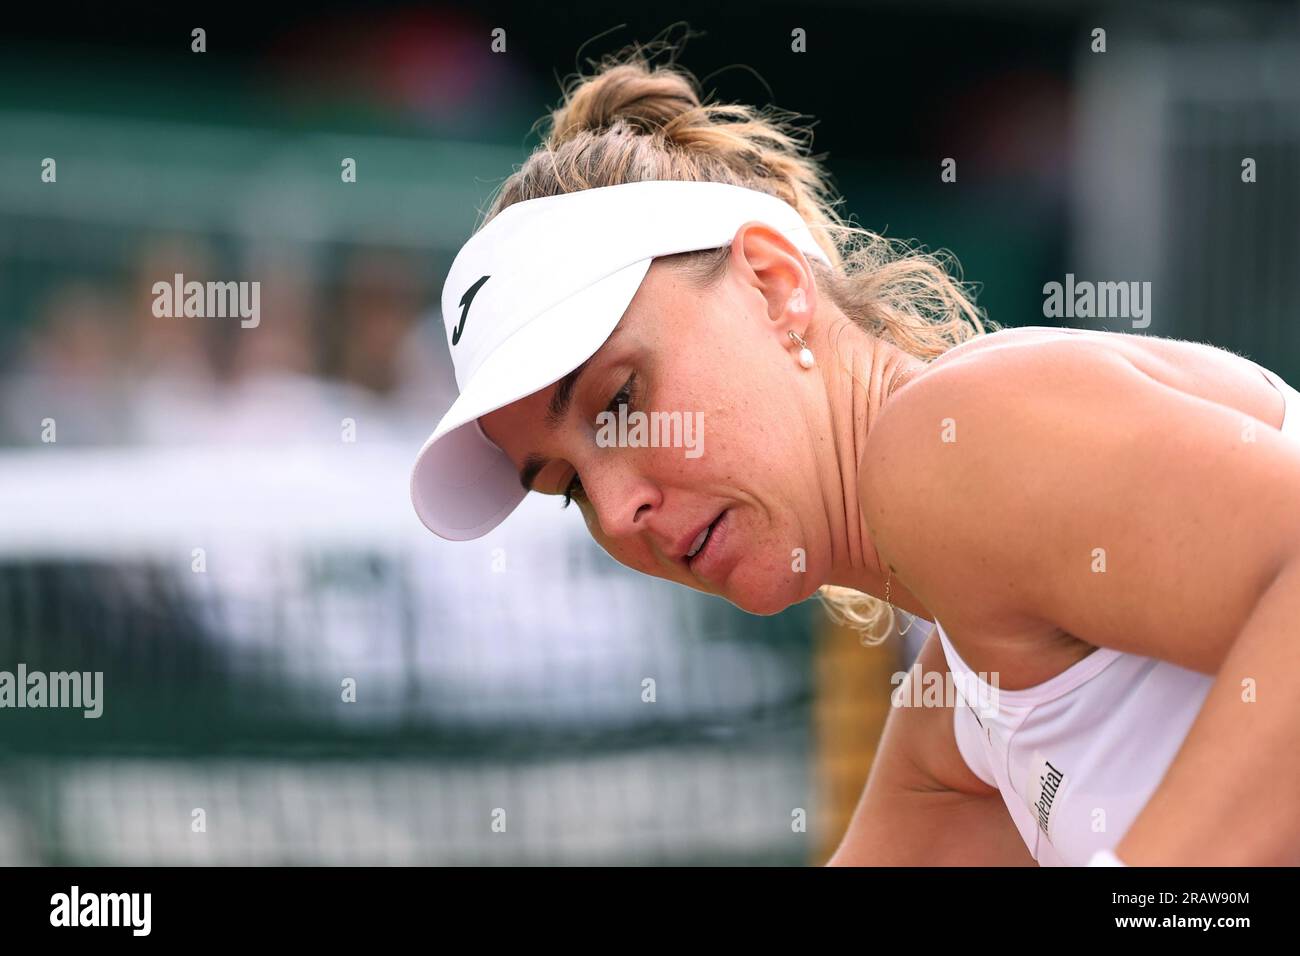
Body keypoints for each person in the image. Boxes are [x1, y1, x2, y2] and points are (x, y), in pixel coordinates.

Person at [409, 51, 1300, 866]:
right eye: (566, 488)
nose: (616, 511)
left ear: (774, 281)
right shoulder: (960, 701)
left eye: (621, 403)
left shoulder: (952, 443)